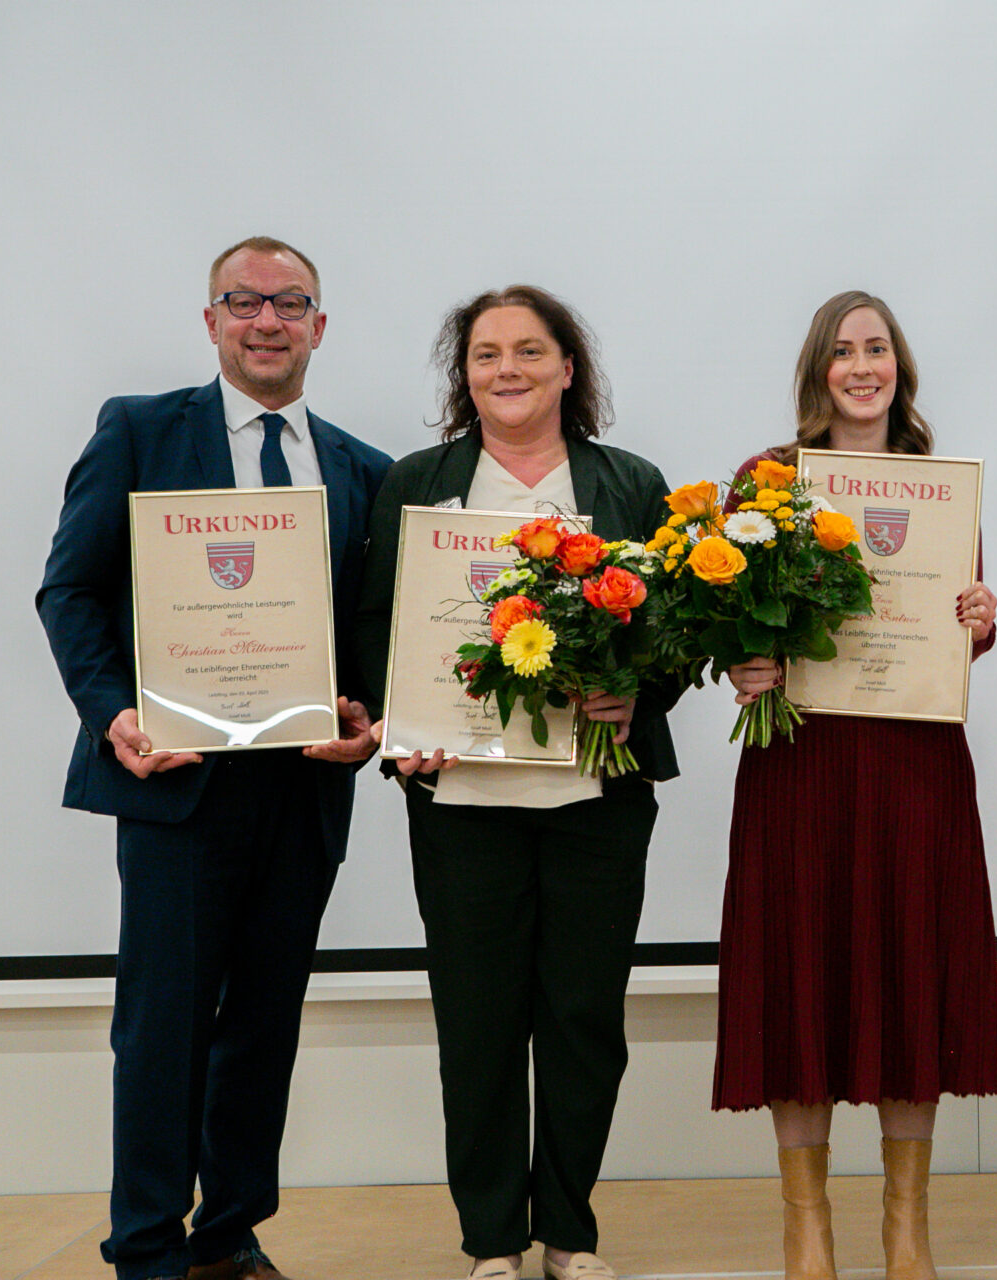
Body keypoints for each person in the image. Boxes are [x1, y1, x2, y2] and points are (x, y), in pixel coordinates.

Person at [35, 237, 390, 1280]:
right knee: (163, 1028)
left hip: (301, 790)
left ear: (320, 325)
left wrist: (366, 715)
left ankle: (228, 1232)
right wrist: (112, 714)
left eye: (291, 303)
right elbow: (72, 590)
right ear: (212, 321)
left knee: (265, 1023)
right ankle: (146, 1246)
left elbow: (366, 637)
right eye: (245, 301)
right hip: (175, 785)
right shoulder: (142, 431)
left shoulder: (362, 468)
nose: (267, 320)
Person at [354, 286, 680, 1280]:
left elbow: (670, 632)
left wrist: (639, 692)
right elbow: (377, 627)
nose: (507, 369)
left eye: (530, 351)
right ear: (465, 373)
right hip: (463, 804)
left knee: (585, 1019)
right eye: (486, 353)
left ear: (568, 367)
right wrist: (398, 729)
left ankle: (569, 1230)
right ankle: (493, 1236)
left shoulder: (628, 483)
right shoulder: (419, 480)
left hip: (596, 794)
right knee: (480, 1019)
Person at [713, 290, 997, 1280]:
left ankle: (906, 1225)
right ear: (818, 369)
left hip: (913, 759)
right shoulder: (769, 478)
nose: (862, 365)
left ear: (899, 365)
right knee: (803, 970)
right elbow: (730, 619)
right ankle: (807, 1226)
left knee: (908, 964)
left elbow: (958, 629)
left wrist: (978, 615)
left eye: (877, 348)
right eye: (843, 351)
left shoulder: (939, 481)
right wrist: (744, 659)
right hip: (801, 761)